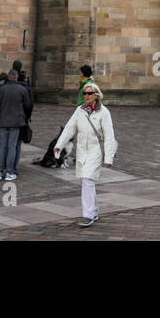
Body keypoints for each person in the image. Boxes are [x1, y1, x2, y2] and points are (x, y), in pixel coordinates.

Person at [54, 82, 117, 227]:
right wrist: (59, 145)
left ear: (96, 95)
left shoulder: (104, 112)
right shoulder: (79, 110)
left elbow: (109, 136)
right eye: (85, 93)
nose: (86, 96)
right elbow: (69, 129)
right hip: (82, 150)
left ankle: (87, 215)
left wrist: (109, 157)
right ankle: (93, 211)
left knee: (88, 179)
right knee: (86, 181)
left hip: (95, 150)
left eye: (89, 93)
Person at [0, 69, 33, 181]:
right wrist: (24, 118)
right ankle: (10, 171)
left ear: (8, 77)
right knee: (12, 147)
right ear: (15, 77)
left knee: (2, 147)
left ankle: (0, 171)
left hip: (3, 121)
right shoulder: (22, 89)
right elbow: (28, 106)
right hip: (16, 122)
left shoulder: (1, 89)